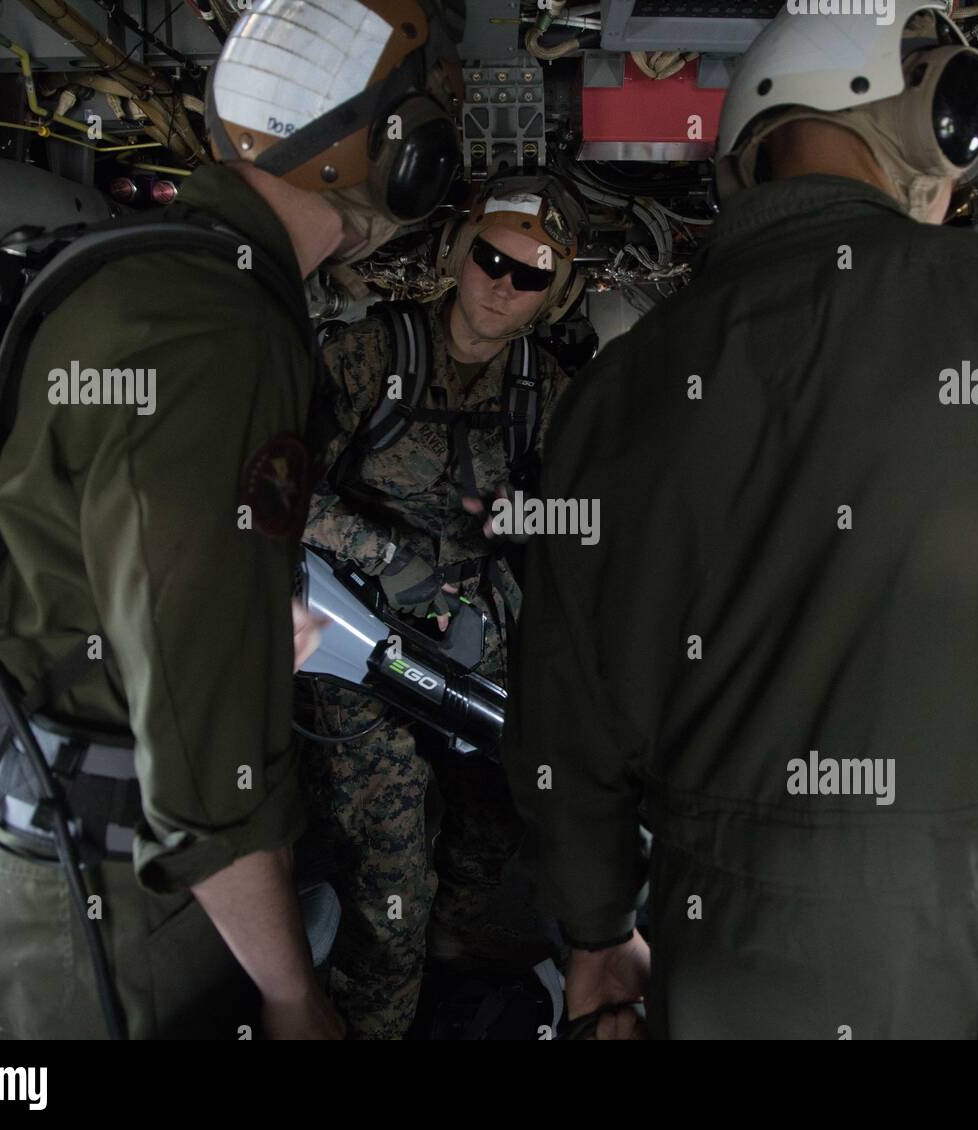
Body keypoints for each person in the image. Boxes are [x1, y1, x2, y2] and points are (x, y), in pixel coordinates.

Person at [504, 4, 978, 1039]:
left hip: (715, 963)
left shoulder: (611, 395)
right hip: (972, 964)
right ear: (922, 120)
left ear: (745, 161)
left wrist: (598, 937)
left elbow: (561, 732)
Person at [0, 0, 462, 1040]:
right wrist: (291, 991)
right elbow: (192, 721)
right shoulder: (214, 326)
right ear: (385, 147)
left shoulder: (177, 282)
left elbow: (144, 590)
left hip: (101, 871)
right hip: (114, 908)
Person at [298, 171, 586, 1038]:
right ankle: (377, 1018)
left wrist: (515, 554)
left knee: (499, 824)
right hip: (361, 640)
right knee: (393, 883)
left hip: (477, 639)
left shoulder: (547, 391)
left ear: (549, 296)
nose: (504, 283)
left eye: (531, 274)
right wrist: (387, 559)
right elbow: (275, 495)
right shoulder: (370, 356)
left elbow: (579, 517)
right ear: (462, 255)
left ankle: (455, 995)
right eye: (492, 258)